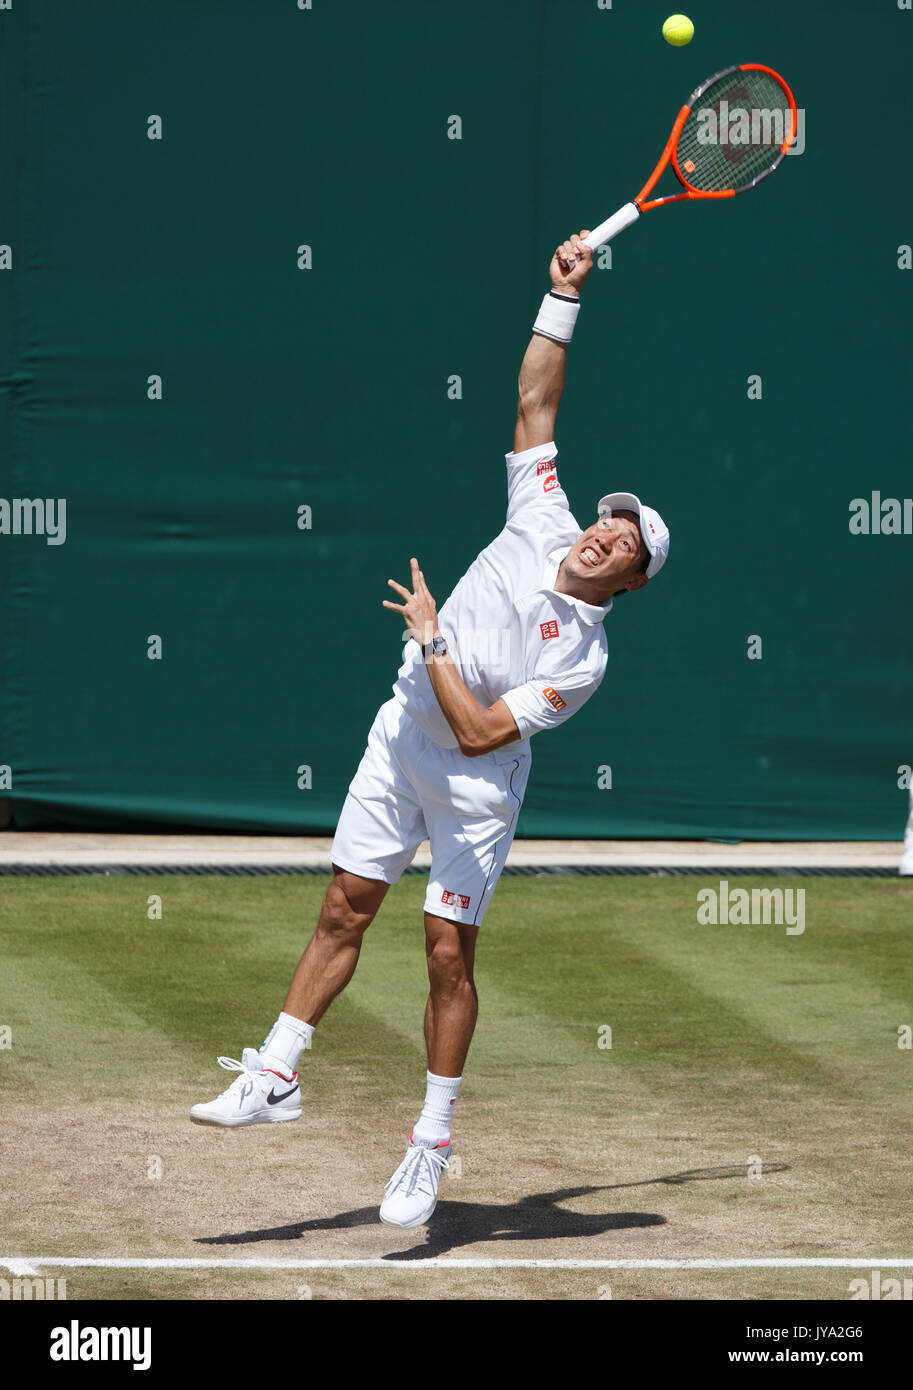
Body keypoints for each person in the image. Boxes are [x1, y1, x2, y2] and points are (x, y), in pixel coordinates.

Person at [190, 229, 671, 1229]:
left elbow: (487, 732)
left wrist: (433, 638)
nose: (603, 534)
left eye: (622, 544)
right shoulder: (542, 512)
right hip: (401, 733)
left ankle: (431, 1141)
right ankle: (276, 1073)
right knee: (343, 906)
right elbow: (535, 402)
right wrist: (563, 296)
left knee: (446, 952)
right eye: (608, 520)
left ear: (629, 581)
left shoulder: (582, 659)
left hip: (473, 784)